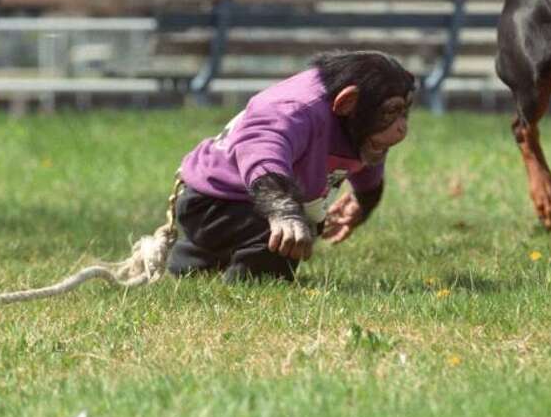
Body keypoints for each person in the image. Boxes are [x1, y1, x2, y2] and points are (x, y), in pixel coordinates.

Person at [167, 51, 414, 282]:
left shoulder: (358, 119)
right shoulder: (296, 109)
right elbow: (262, 155)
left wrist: (365, 199)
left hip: (238, 199)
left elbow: (369, 151)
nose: (402, 127)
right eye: (391, 112)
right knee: (289, 234)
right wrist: (283, 212)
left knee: (301, 220)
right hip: (213, 199)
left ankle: (193, 262)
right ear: (347, 102)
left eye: (405, 111)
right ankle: (255, 287)